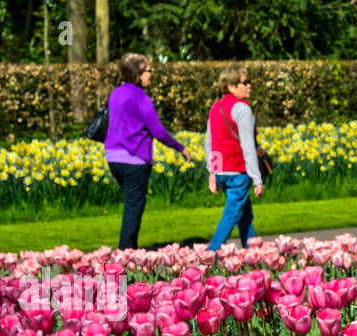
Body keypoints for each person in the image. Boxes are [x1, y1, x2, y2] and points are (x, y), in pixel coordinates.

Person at [103, 52, 194, 250]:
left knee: (131, 205)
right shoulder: (141, 98)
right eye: (148, 71)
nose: (151, 74)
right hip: (134, 159)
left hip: (113, 157)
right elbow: (158, 132)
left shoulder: (115, 93)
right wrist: (181, 148)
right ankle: (126, 255)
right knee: (133, 208)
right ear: (137, 73)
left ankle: (128, 250)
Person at [206, 64, 265, 252]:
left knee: (245, 215)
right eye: (244, 83)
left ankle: (253, 254)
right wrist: (257, 179)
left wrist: (213, 172)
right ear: (231, 86)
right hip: (237, 172)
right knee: (231, 215)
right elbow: (248, 147)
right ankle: (209, 255)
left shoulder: (215, 108)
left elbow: (210, 143)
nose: (249, 86)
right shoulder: (242, 109)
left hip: (222, 172)